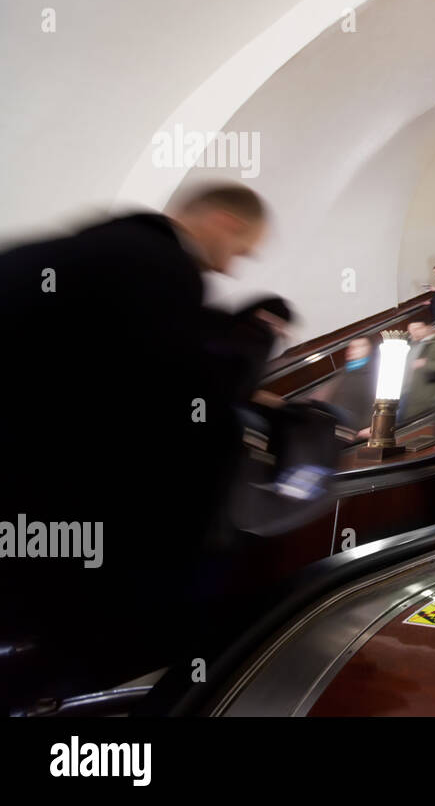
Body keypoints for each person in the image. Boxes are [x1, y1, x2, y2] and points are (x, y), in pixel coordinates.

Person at [0, 180, 273, 707]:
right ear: (224, 221)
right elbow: (168, 419)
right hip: (71, 533)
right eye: (240, 251)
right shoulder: (157, 272)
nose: (229, 269)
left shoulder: (52, 254)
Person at [397, 321, 435, 424]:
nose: (415, 333)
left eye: (418, 328)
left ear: (427, 328)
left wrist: (425, 363)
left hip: (425, 397)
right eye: (412, 331)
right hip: (406, 395)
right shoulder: (410, 347)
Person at [320, 336, 379, 431]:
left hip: (357, 430)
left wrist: (370, 427)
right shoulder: (345, 372)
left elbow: (375, 403)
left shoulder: (373, 372)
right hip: (339, 428)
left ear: (369, 349)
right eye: (351, 347)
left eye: (360, 346)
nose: (353, 350)